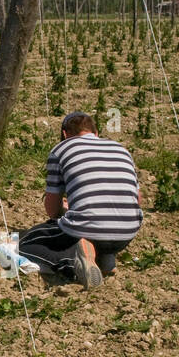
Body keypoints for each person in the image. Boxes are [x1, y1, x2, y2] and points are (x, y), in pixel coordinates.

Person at [16, 111, 143, 289]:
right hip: (127, 232)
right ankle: (105, 259)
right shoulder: (121, 149)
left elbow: (52, 210)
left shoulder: (61, 149)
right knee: (97, 229)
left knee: (23, 243)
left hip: (88, 227)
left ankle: (74, 263)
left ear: (65, 135)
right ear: (96, 133)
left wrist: (66, 209)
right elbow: (137, 200)